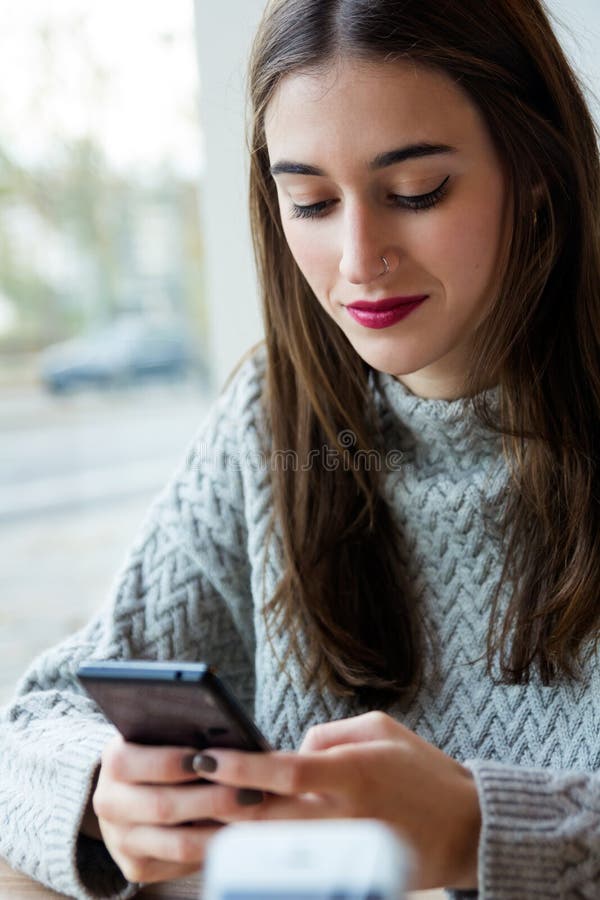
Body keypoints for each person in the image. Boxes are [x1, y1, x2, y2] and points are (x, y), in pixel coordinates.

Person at [2, 0, 600, 897]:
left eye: (416, 193)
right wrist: (104, 792)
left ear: (538, 168)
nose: (359, 259)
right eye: (312, 202)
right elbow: (34, 724)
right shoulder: (276, 421)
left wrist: (479, 828)